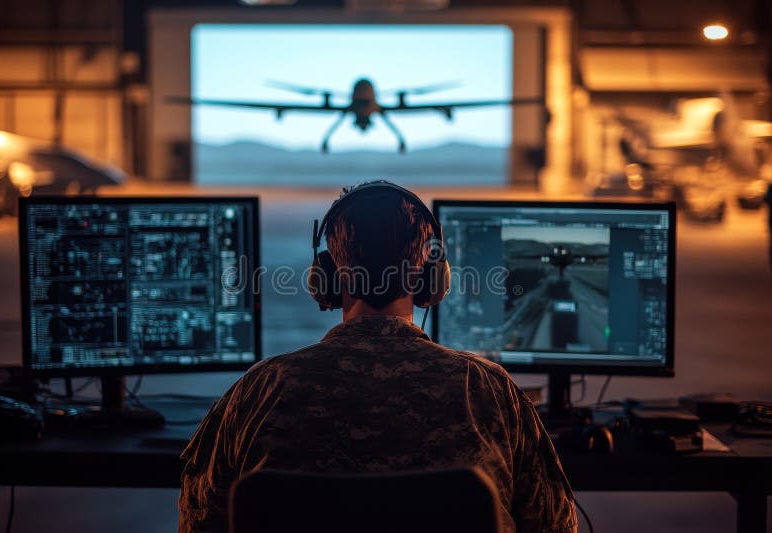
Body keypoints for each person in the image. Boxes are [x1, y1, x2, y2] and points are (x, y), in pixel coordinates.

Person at [179, 181, 578, 533]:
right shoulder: (492, 394)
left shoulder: (257, 393)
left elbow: (199, 522)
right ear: (431, 278)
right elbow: (554, 526)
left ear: (326, 277)